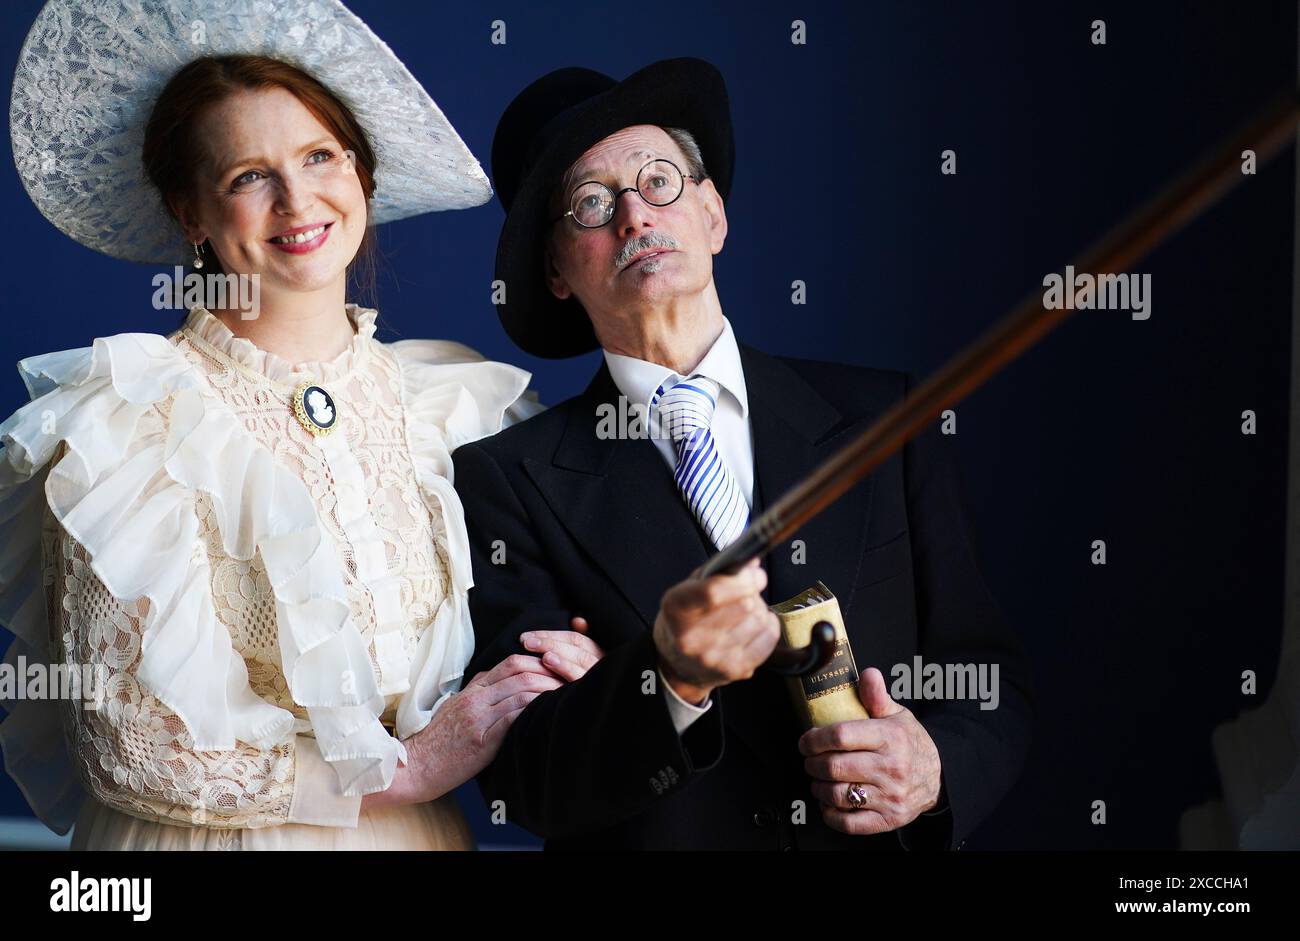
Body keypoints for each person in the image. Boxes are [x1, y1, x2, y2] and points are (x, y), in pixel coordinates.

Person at [0, 0, 601, 850]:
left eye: (320, 156)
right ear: (192, 215)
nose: (297, 198)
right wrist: (408, 770)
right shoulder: (125, 421)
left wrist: (572, 671)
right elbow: (126, 748)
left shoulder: (456, 402)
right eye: (248, 176)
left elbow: (526, 633)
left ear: (359, 174)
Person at [454, 58, 1034, 850]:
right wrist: (666, 678)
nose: (634, 217)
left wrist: (934, 763)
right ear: (555, 269)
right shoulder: (503, 482)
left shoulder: (886, 419)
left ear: (713, 214)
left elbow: (987, 678)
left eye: (658, 180)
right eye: (591, 202)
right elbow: (529, 778)